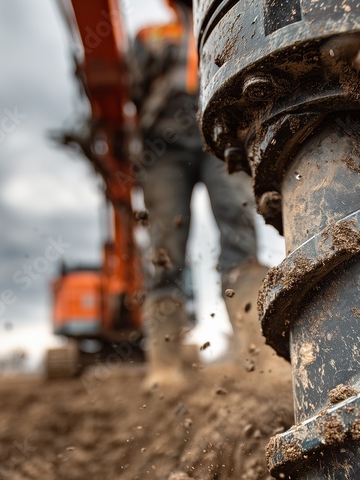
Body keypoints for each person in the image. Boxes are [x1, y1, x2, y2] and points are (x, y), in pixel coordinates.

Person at [129, 0, 270, 390]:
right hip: (163, 147)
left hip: (219, 135)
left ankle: (258, 354)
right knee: (164, 249)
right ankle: (165, 366)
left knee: (239, 226)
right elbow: (134, 90)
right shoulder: (149, 35)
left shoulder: (228, 22)